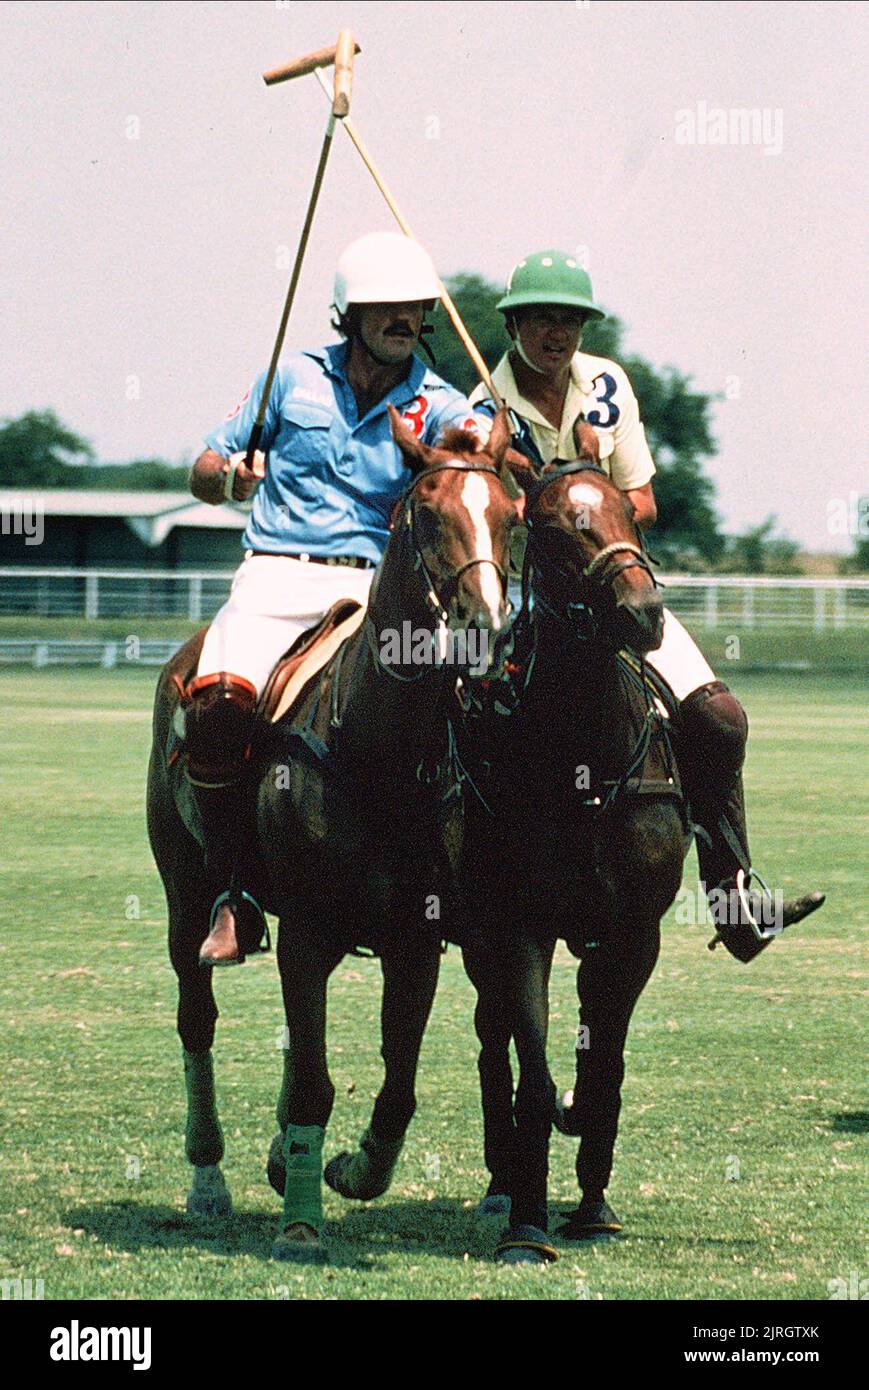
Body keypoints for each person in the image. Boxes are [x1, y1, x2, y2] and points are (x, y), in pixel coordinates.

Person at [471, 249, 825, 962]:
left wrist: (580, 488)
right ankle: (454, 886)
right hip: (526, 604)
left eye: (568, 319)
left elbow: (643, 503)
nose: (556, 332)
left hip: (610, 588)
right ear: (513, 325)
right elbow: (481, 515)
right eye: (541, 317)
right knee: (460, 720)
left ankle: (731, 897)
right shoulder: (482, 406)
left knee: (718, 720)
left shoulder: (606, 385)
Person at [185, 231, 484, 966]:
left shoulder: (440, 404)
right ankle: (237, 892)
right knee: (220, 704)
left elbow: (476, 459)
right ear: (350, 314)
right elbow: (201, 465)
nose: (401, 319)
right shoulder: (290, 380)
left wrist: (488, 446)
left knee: (472, 704)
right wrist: (230, 479)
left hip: (376, 585)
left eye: (413, 308)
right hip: (276, 575)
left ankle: (459, 882)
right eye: (385, 308)